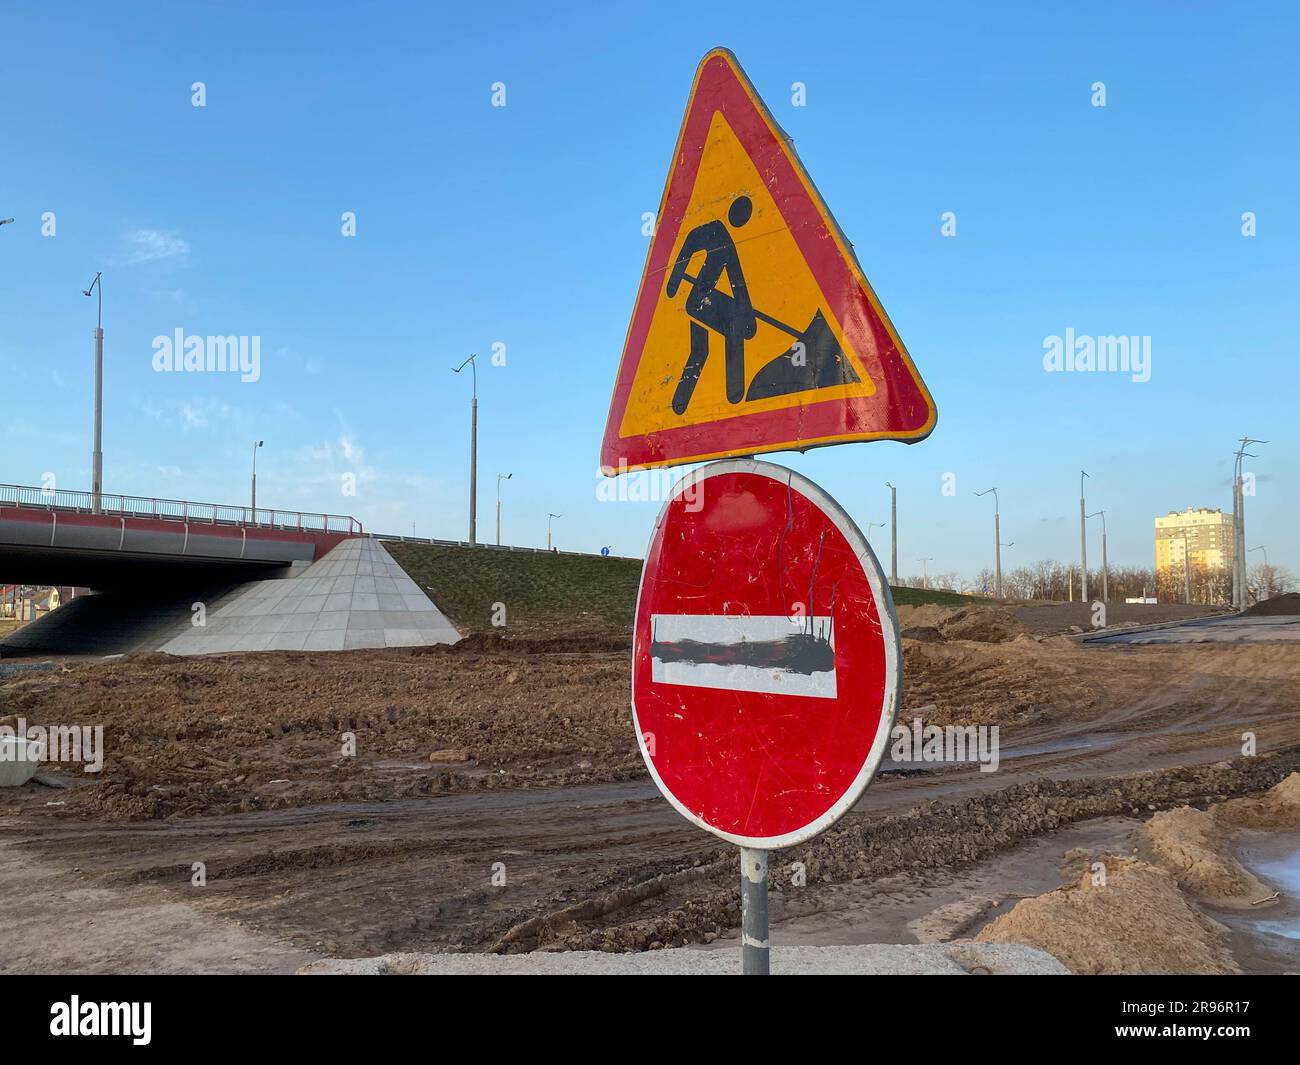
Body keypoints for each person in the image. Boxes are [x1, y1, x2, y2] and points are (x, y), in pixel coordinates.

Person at [665, 195, 757, 414]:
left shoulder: (726, 240)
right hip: (696, 301)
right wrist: (673, 283)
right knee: (703, 346)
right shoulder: (715, 233)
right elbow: (686, 249)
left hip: (700, 301)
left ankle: (732, 395)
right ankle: (687, 401)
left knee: (720, 335)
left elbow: (737, 279)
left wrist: (746, 314)